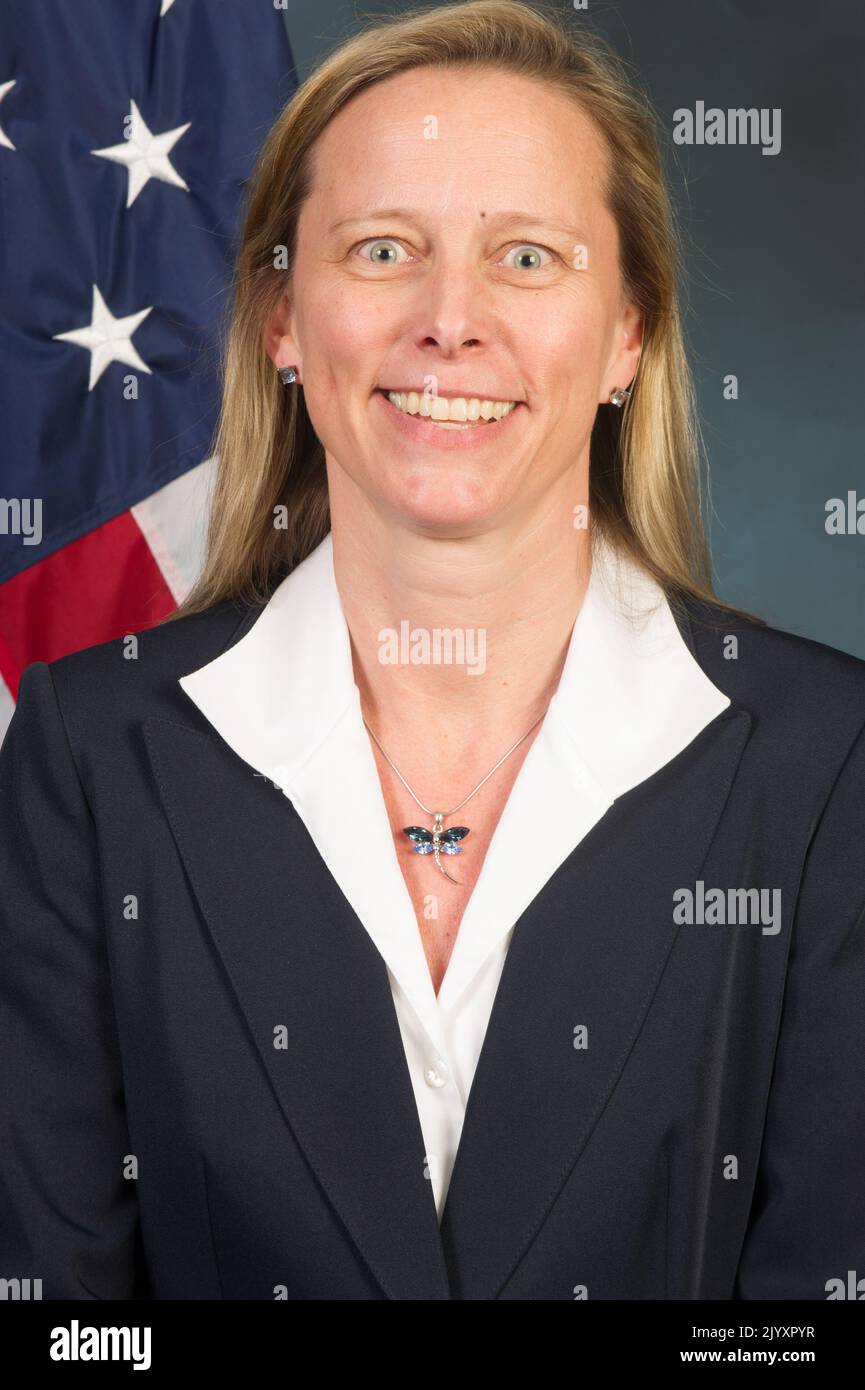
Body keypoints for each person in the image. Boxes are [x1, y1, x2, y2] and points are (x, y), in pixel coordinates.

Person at [1, 0, 863, 1301]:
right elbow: (61, 1327)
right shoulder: (85, 753)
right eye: (383, 247)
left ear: (627, 331)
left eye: (525, 256)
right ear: (283, 317)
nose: (448, 321)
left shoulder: (825, 765)